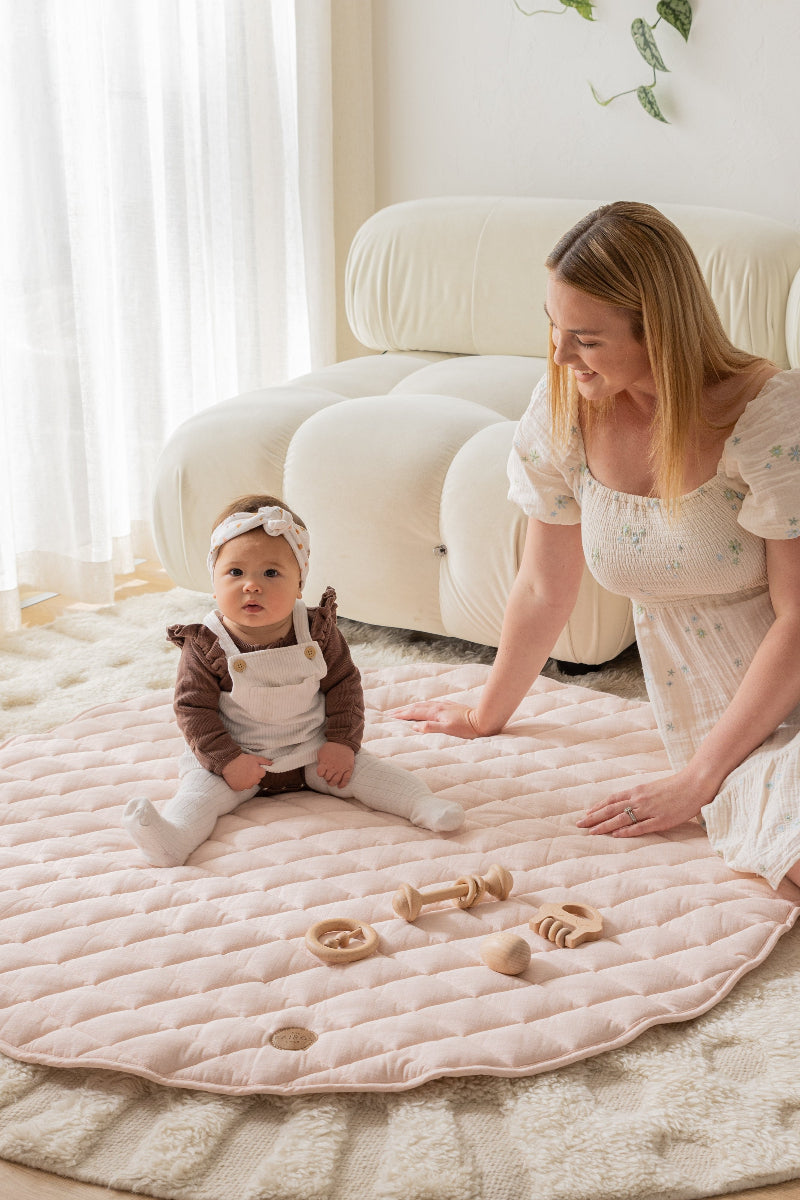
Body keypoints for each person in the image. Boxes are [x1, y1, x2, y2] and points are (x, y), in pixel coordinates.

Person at [395, 200, 800, 892]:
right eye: (553, 326)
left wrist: (698, 779)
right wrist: (487, 712)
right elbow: (544, 587)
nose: (558, 354)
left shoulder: (765, 419)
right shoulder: (564, 415)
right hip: (715, 707)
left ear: (660, 330)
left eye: (585, 337)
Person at [124, 495, 464, 866]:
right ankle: (171, 838)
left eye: (271, 573)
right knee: (199, 797)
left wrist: (341, 742)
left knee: (373, 775)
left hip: (312, 750)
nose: (251, 585)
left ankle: (423, 804)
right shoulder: (207, 644)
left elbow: (344, 686)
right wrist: (227, 761)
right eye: (235, 573)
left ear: (300, 583)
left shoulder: (316, 631)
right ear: (214, 581)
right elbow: (193, 710)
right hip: (236, 760)